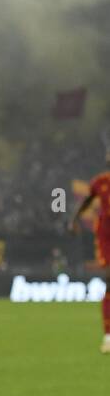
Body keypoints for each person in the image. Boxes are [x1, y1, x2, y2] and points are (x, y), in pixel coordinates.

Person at [69, 151, 110, 353]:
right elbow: (86, 202)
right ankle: (108, 336)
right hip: (107, 238)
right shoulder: (100, 182)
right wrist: (74, 219)